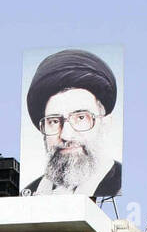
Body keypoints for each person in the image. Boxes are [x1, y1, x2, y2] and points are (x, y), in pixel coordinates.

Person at [22, 48, 121, 198]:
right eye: (54, 121)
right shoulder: (28, 194)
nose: (66, 135)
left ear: (105, 124)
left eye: (81, 117)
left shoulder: (118, 186)